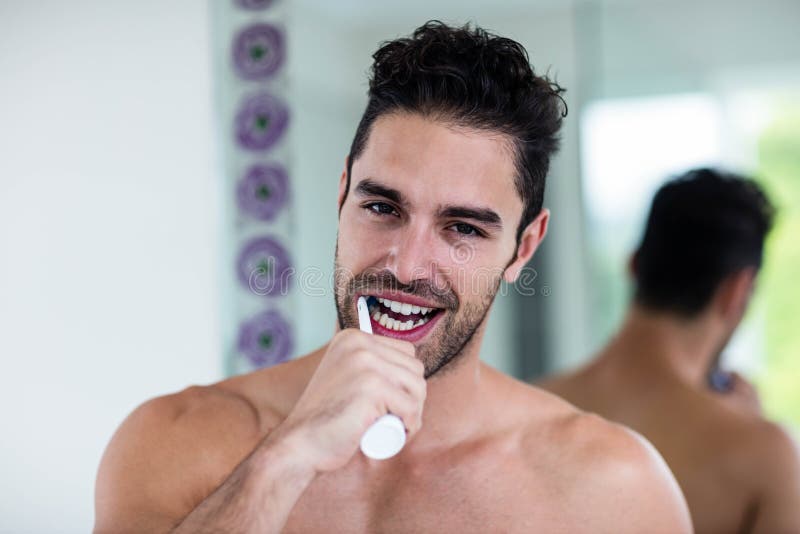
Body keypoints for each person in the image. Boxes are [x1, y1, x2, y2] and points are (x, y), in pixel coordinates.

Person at [94, 21, 690, 533]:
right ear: (342, 193)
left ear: (523, 247)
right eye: (382, 208)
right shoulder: (174, 442)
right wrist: (286, 456)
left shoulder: (613, 491)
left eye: (463, 228)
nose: (405, 266)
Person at [540, 168, 800, 533]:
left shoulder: (531, 404)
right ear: (737, 292)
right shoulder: (765, 456)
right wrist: (750, 431)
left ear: (632, 264)